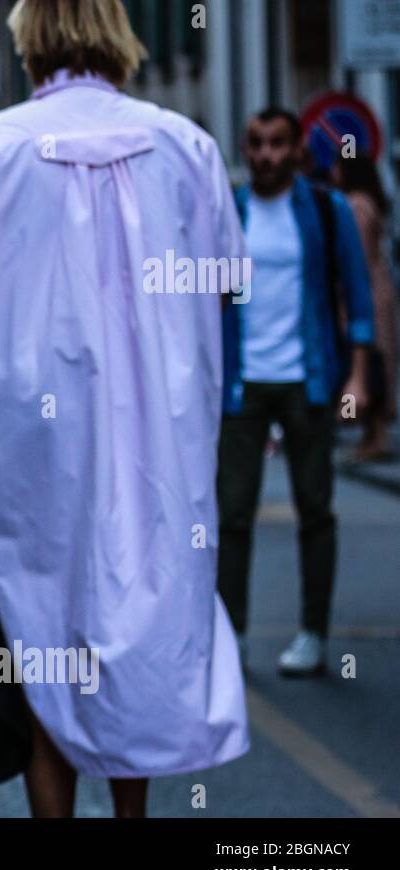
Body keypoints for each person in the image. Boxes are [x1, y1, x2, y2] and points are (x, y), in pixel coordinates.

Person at [0, 0, 249, 817]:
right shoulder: (191, 147)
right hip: (163, 433)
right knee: (143, 620)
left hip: (32, 439)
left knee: (44, 631)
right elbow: (227, 285)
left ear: (28, 41)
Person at [219, 109, 375, 676]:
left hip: (308, 379)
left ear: (295, 149)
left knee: (315, 511)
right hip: (241, 384)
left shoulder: (326, 212)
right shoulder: (228, 211)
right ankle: (231, 634)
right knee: (231, 514)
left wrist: (356, 377)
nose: (265, 155)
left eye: (277, 144)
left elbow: (357, 298)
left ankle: (312, 633)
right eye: (255, 144)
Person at [334, 155, 397, 461]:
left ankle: (375, 435)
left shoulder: (356, 205)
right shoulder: (369, 201)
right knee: (377, 362)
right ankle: (373, 435)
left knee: (371, 362)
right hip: (376, 289)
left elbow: (356, 258)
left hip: (368, 293)